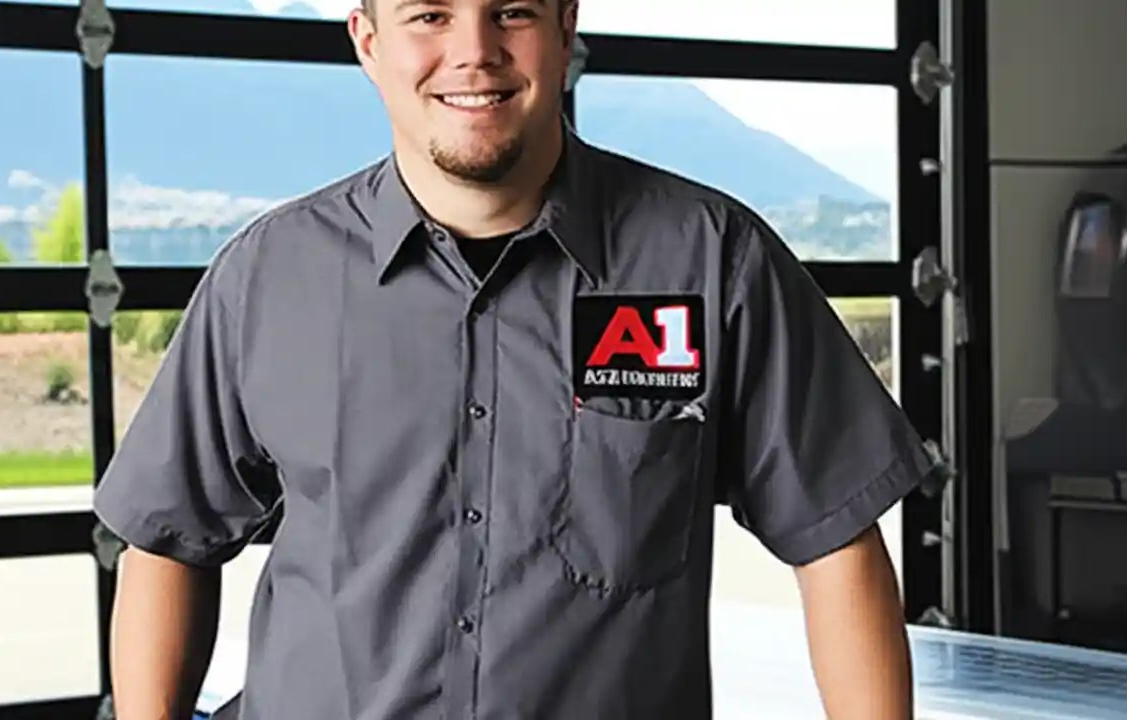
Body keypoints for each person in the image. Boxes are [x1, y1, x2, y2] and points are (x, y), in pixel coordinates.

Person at [94, 0, 940, 718]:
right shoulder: (269, 277)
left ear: (567, 23)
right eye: (430, 14)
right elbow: (169, 541)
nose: (475, 52)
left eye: (513, 11)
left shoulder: (712, 263)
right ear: (367, 39)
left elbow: (837, 545)